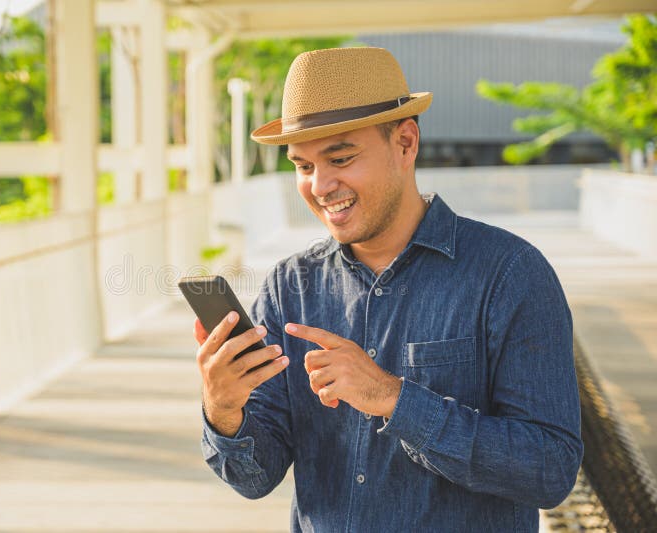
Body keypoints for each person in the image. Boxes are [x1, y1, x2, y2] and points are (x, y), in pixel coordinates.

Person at [192, 47, 582, 532]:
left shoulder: (510, 274)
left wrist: (396, 399)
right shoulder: (289, 288)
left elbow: (550, 470)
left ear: (405, 143)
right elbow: (255, 478)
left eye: (340, 158)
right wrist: (223, 410)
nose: (319, 185)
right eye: (303, 166)